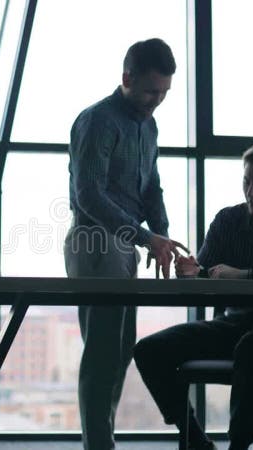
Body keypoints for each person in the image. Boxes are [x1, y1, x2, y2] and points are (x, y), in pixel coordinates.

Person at [133, 141, 253, 450]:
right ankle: (198, 443)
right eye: (247, 182)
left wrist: (244, 276)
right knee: (149, 350)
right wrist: (191, 272)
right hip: (233, 327)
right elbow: (206, 272)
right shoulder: (228, 220)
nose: (251, 193)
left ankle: (237, 447)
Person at [64, 37, 188, 450]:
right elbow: (89, 196)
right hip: (96, 240)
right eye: (152, 90)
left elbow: (151, 187)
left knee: (119, 352)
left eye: (165, 92)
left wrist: (162, 236)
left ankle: (102, 440)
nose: (157, 100)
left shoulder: (148, 125)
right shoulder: (98, 121)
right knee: (102, 352)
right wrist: (147, 237)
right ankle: (99, 445)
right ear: (126, 78)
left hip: (125, 243)